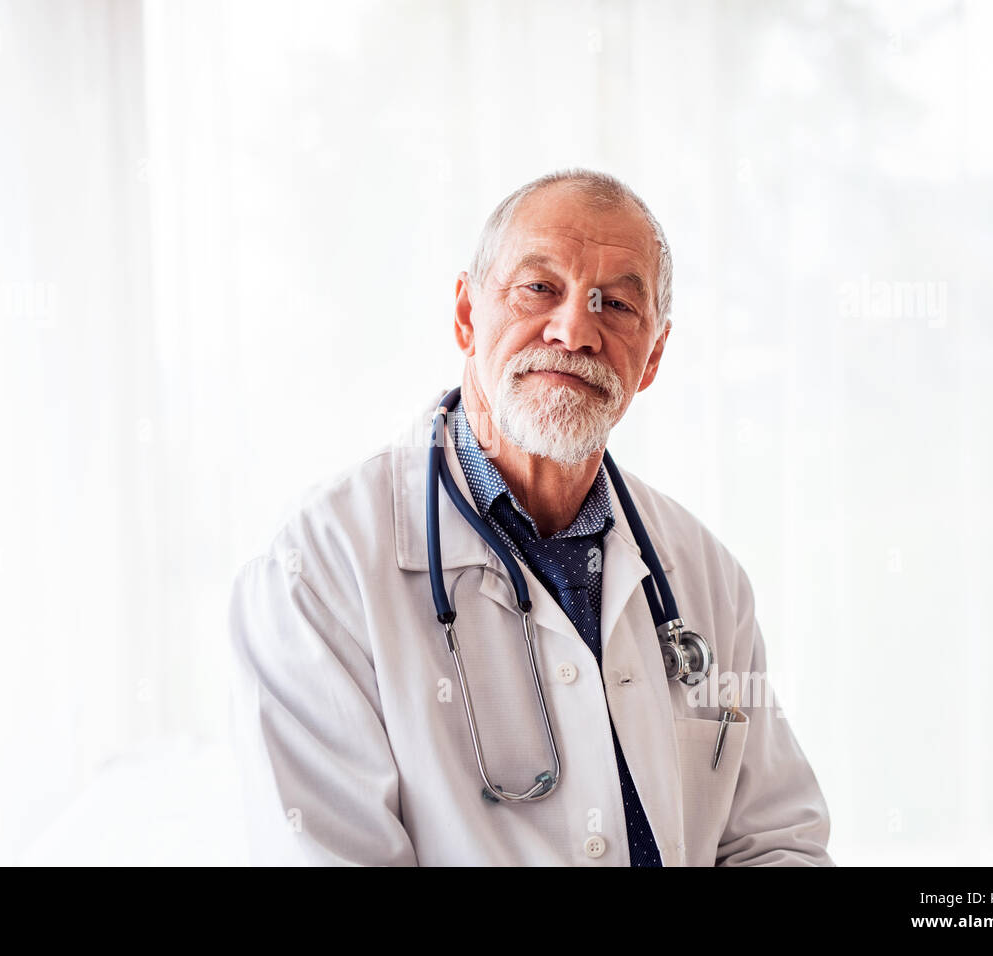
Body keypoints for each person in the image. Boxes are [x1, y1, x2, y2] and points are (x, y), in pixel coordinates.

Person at [227, 169, 833, 866]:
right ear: (466, 314)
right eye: (540, 288)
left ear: (654, 356)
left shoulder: (703, 575)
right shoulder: (319, 570)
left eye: (617, 306)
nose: (576, 329)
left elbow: (776, 840)